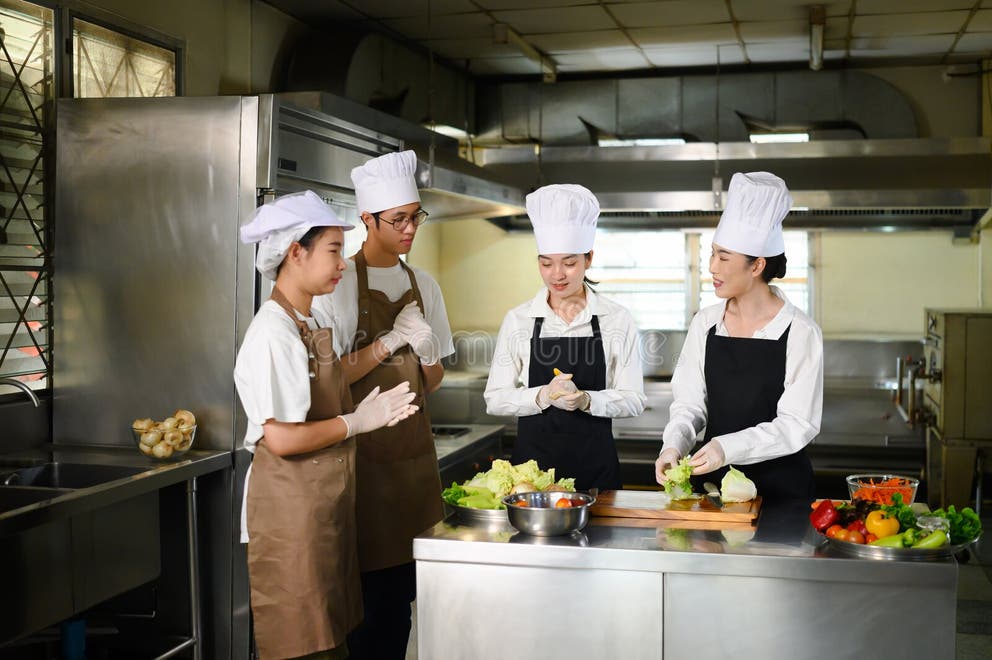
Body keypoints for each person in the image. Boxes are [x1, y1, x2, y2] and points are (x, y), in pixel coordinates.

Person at [234, 190, 419, 660]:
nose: (342, 263)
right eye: (334, 250)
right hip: (291, 518)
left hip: (322, 511)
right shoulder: (273, 333)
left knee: (332, 641)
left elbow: (336, 371)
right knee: (303, 645)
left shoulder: (307, 318)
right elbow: (280, 437)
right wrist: (356, 422)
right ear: (296, 252)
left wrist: (390, 342)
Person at [313, 150, 453, 660]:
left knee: (402, 608)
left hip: (414, 469)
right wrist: (387, 343)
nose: (411, 228)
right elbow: (325, 383)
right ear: (366, 220)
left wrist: (429, 352)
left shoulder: (426, 286)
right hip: (360, 468)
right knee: (366, 612)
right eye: (399, 219)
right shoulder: (337, 284)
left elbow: (430, 382)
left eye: (416, 216)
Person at [655, 171, 823, 501]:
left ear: (756, 265)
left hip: (782, 491)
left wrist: (725, 446)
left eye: (723, 257)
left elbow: (796, 424)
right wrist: (674, 444)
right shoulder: (705, 323)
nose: (712, 267)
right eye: (712, 253)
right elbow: (689, 404)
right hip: (715, 489)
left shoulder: (801, 331)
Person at [484, 184, 646, 491]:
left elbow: (634, 399)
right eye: (546, 263)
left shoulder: (616, 318)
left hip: (596, 474)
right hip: (531, 481)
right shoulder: (519, 320)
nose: (557, 274)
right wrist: (541, 396)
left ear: (589, 259)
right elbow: (495, 398)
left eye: (570, 263)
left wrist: (587, 400)